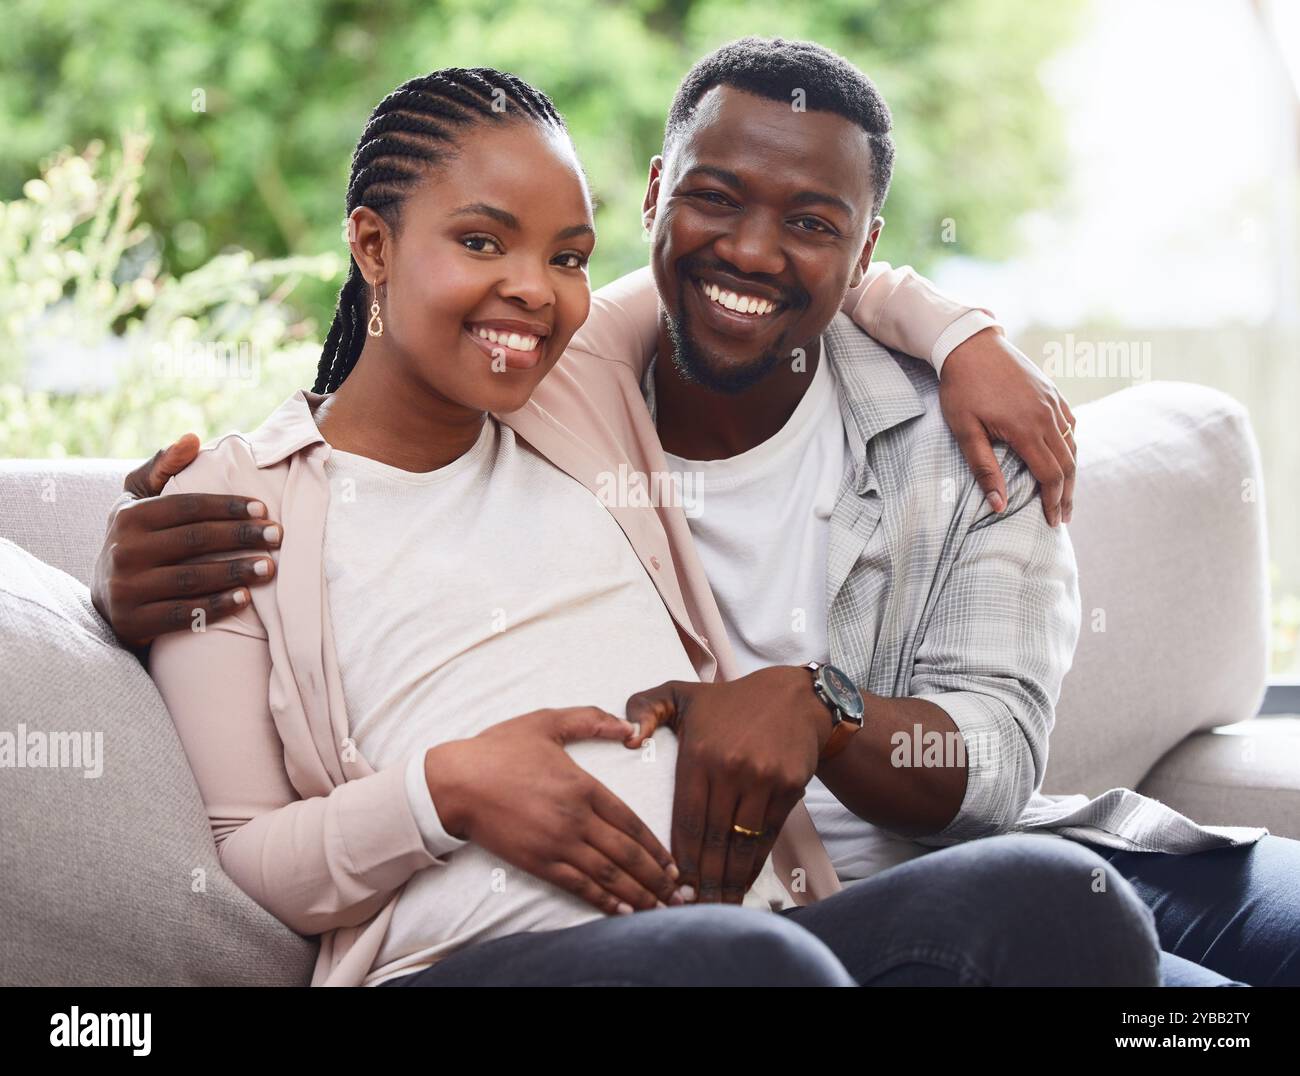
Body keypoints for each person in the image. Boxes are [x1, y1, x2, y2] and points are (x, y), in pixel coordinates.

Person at [93, 61, 1163, 987]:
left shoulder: (574, 387)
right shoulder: (238, 507)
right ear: (371, 243)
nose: (534, 291)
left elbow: (765, 269)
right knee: (756, 970)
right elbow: (249, 855)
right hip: (469, 964)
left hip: (756, 933)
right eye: (481, 240)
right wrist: (445, 791)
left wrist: (963, 334)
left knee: (1061, 895)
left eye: (566, 257)